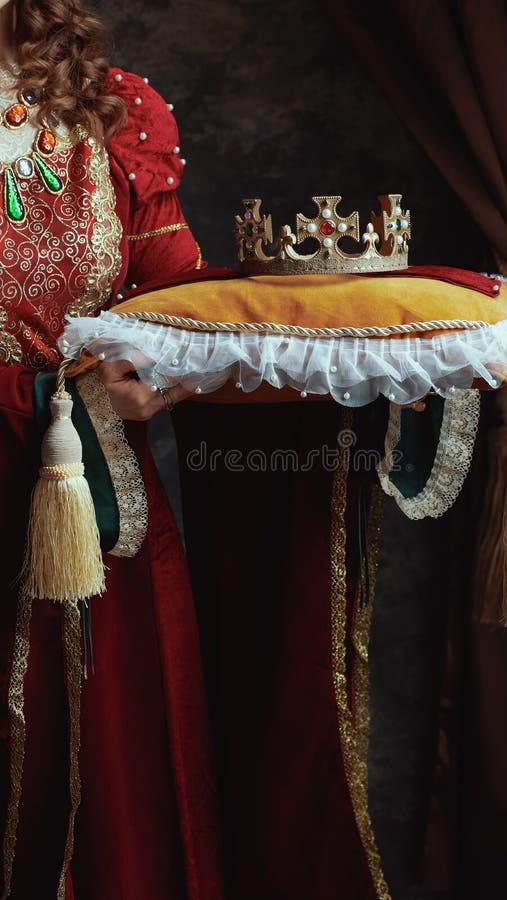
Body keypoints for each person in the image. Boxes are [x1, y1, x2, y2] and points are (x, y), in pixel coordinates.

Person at [0, 1, 222, 897]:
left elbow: (178, 302)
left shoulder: (113, 111)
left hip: (80, 494)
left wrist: (161, 374)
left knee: (105, 782)